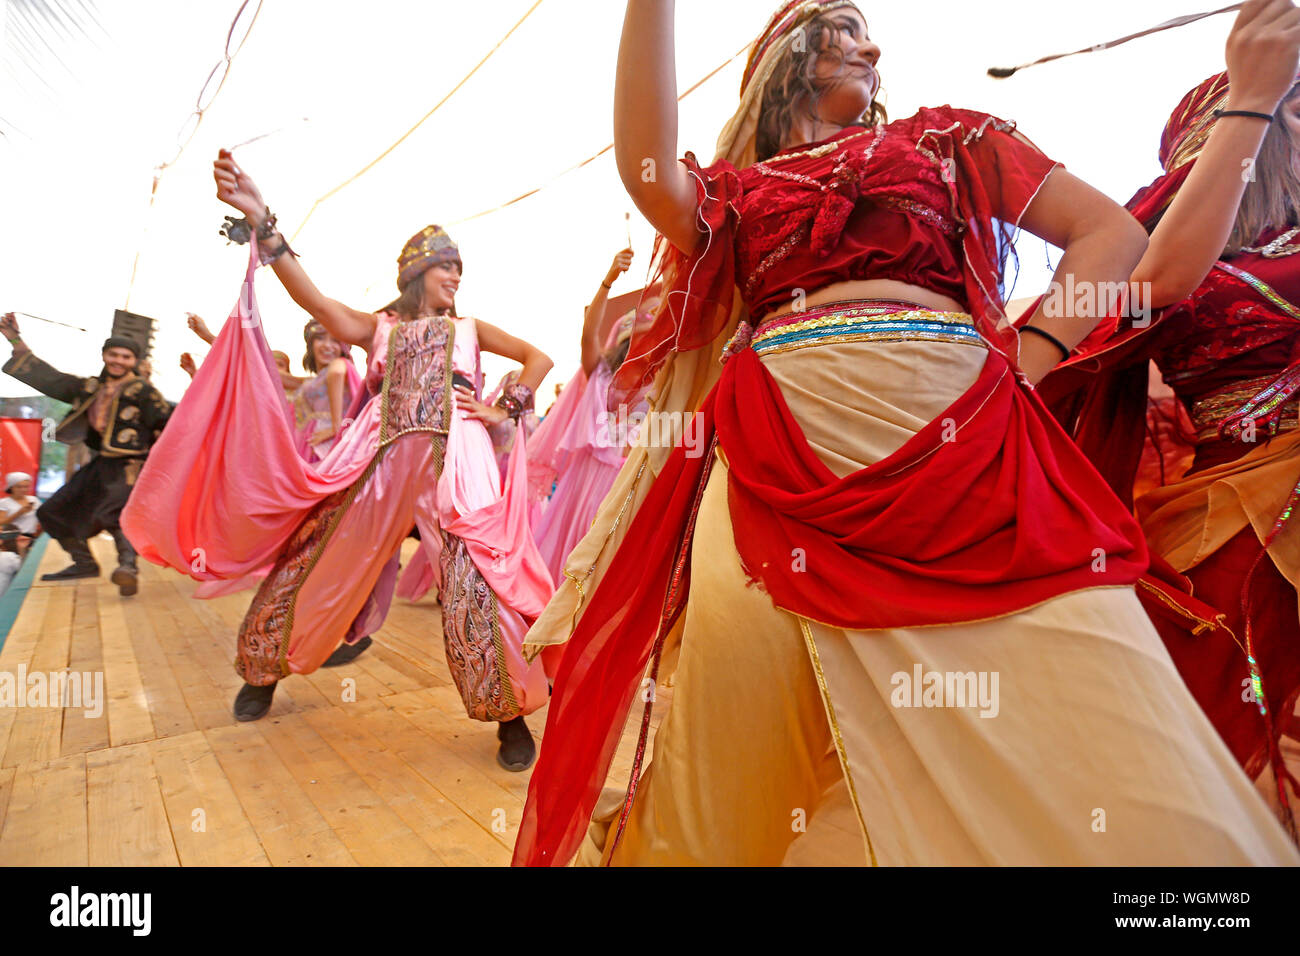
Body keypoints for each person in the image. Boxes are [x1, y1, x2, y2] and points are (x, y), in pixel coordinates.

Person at [511, 0, 1300, 866]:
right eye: (845, 29)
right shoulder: (740, 192)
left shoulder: (945, 140)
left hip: (964, 452)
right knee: (725, 771)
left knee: (1115, 728)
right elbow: (648, 170)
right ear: (784, 59)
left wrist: (1024, 370)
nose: (872, 45)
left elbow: (1107, 234)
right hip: (776, 469)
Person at [121, 149, 555, 771]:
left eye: (460, 268)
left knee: (476, 584)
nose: (457, 277)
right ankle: (263, 672)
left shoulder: (470, 328)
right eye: (446, 267)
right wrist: (263, 222)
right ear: (417, 272)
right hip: (375, 457)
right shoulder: (378, 327)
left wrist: (503, 406)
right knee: (318, 558)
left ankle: (509, 714)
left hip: (456, 459)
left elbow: (538, 358)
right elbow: (315, 303)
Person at [1040, 0, 1300, 835]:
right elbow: (1155, 285)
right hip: (1233, 536)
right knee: (1191, 790)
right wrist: (1252, 104)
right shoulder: (1161, 257)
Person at [0, 313, 171, 596]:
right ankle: (84, 562)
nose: (118, 360)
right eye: (113, 354)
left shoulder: (144, 391)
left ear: (135, 361)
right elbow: (50, 379)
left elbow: (169, 424)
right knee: (50, 511)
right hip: (99, 464)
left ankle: (128, 568)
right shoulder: (91, 387)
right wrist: (15, 339)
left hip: (130, 465)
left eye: (126, 357)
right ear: (104, 355)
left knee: (114, 514)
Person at [528, 249, 655, 591]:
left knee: (608, 561)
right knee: (573, 550)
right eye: (635, 341)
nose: (641, 348)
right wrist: (607, 281)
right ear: (623, 341)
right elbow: (589, 332)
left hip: (626, 478)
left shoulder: (662, 381)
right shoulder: (599, 373)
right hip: (588, 476)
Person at [0, 472, 41, 557]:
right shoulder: (4, 503)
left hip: (31, 537)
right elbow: (1, 522)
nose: (23, 489)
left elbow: (43, 516)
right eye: (19, 487)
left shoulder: (34, 500)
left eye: (26, 486)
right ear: (11, 487)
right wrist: (19, 513)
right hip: (12, 539)